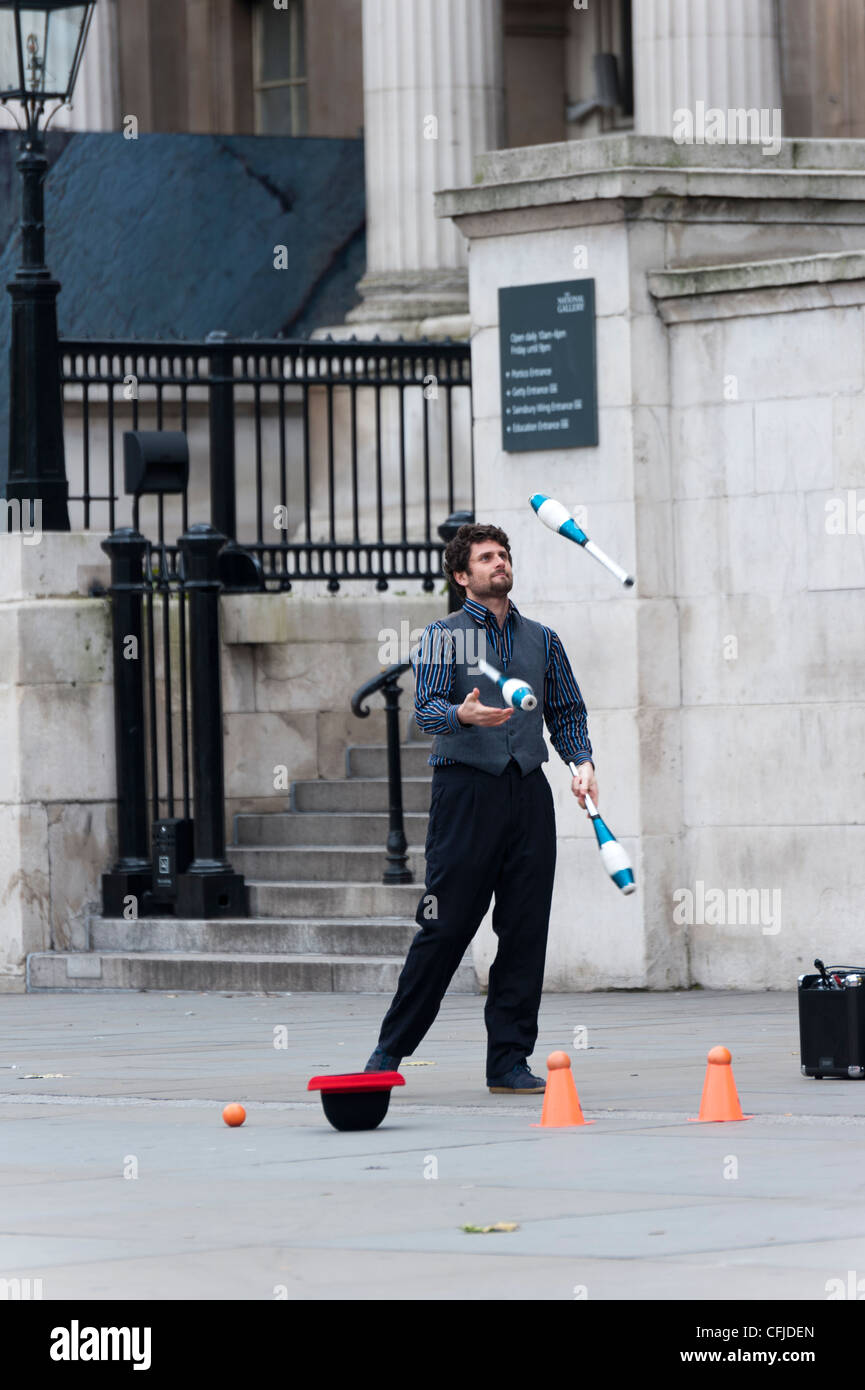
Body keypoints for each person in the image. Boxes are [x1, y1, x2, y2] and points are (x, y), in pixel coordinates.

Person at [364, 522, 597, 1093]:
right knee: (444, 928)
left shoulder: (543, 638)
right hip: (466, 791)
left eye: (504, 555)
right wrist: (461, 716)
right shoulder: (445, 637)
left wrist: (581, 762)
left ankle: (508, 1062)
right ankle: (387, 1054)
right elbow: (425, 711)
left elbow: (565, 711)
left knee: (524, 929)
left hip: (528, 791)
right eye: (487, 557)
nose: (500, 563)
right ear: (461, 575)